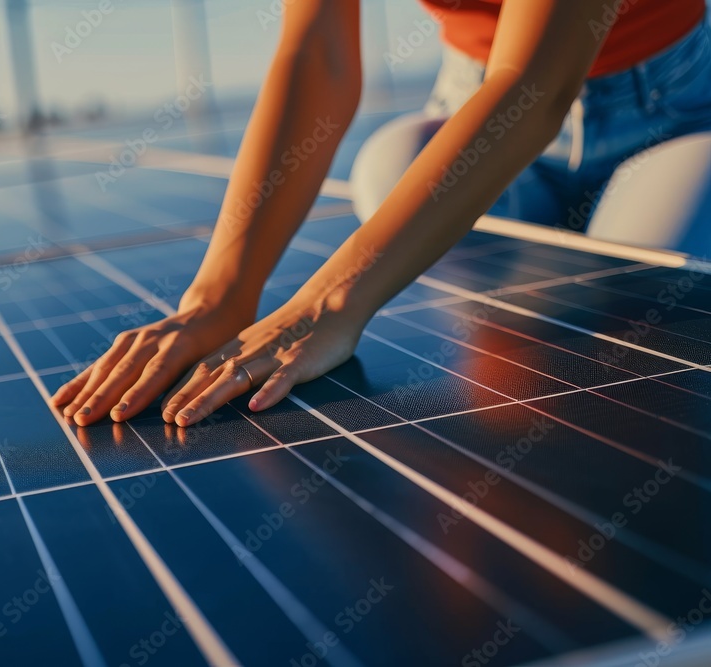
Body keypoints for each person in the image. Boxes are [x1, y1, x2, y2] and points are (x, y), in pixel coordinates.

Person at [53, 0, 711, 428]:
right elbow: (320, 54)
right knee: (388, 167)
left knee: (649, 300)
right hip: (475, 95)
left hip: (671, 108)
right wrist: (220, 295)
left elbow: (536, 84)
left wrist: (325, 307)